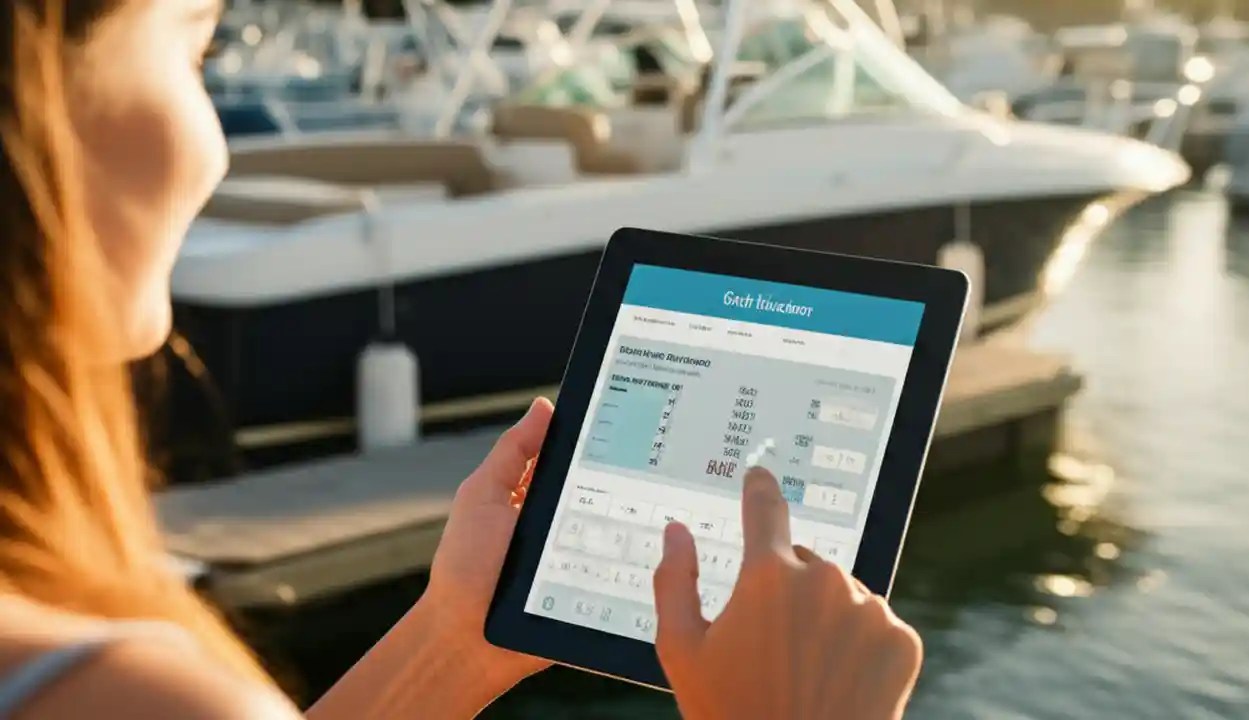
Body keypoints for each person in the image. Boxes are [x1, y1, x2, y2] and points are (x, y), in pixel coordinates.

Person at [0, 1, 923, 718]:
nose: (215, 153)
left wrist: (457, 634)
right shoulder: (110, 696)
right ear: (31, 91)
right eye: (193, 48)